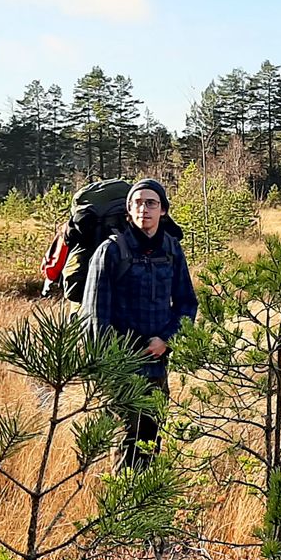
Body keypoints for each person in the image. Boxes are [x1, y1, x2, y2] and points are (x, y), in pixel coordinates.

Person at [80, 178, 197, 470]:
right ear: (128, 211)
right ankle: (122, 509)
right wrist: (110, 366)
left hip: (157, 365)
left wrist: (166, 339)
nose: (144, 208)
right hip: (122, 368)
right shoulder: (111, 251)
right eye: (137, 203)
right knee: (127, 444)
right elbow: (95, 316)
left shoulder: (171, 250)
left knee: (151, 440)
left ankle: (147, 508)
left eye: (151, 203)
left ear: (164, 211)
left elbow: (186, 303)